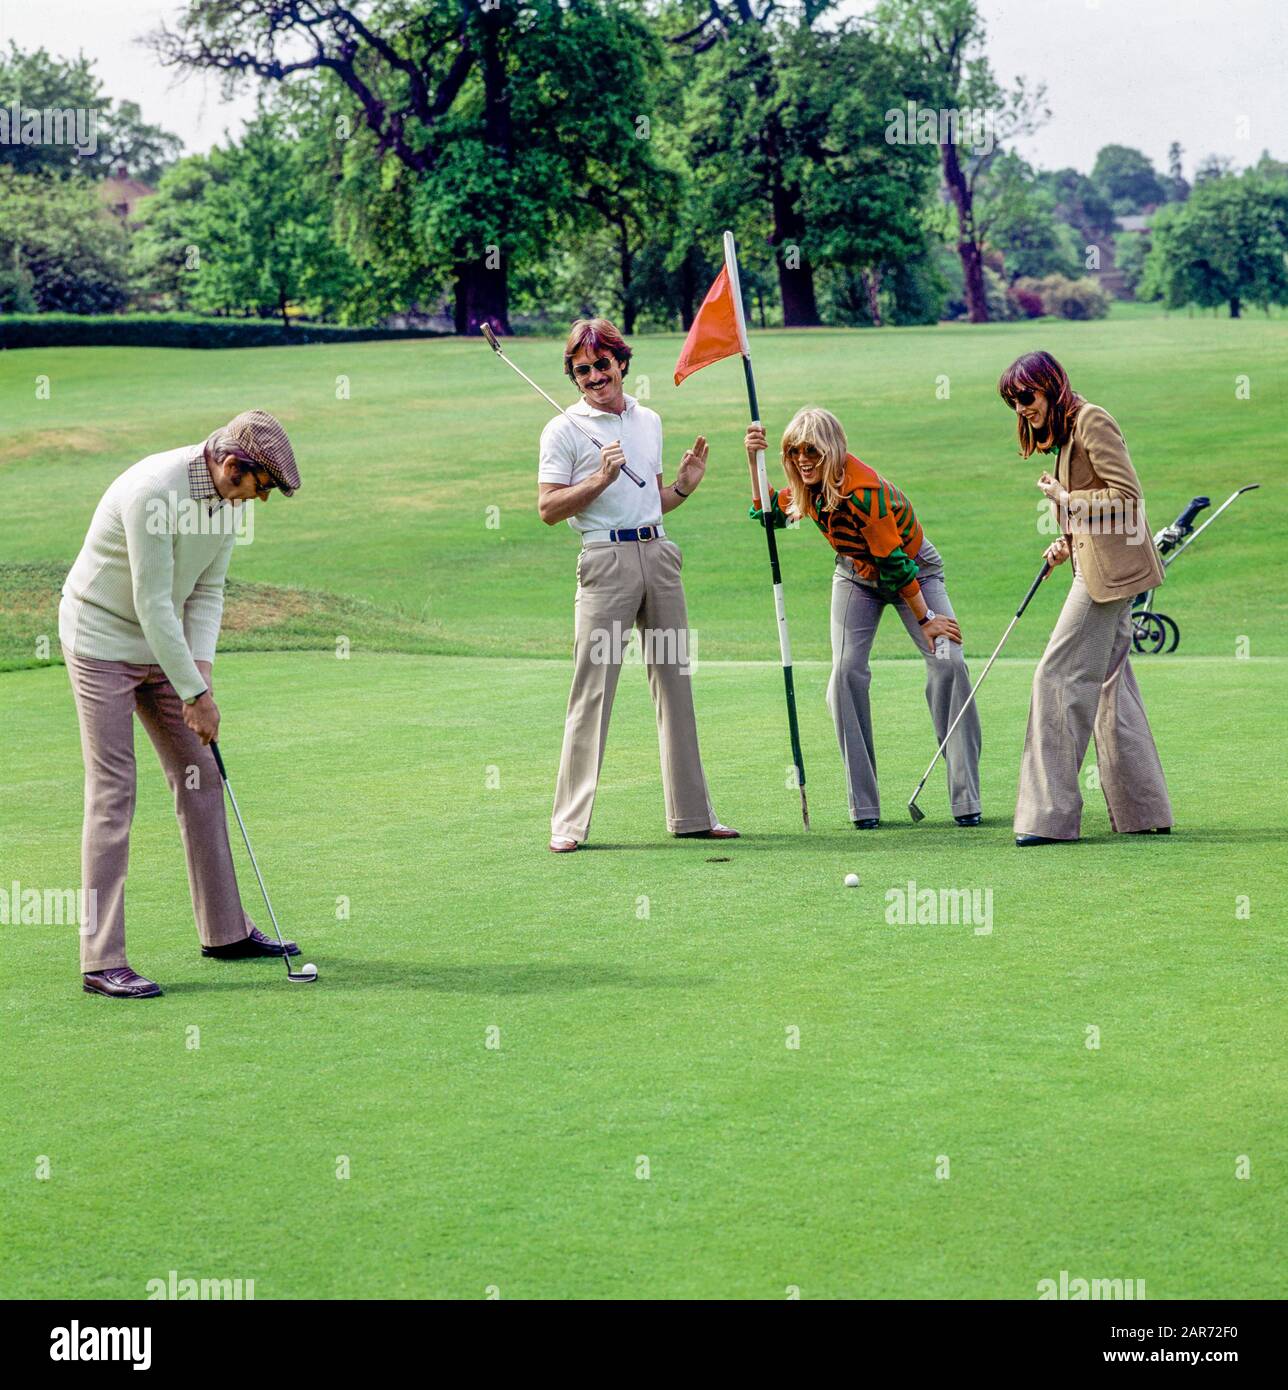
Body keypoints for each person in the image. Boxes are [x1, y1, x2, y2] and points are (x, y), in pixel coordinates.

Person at [60, 410, 302, 998]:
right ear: (230, 465)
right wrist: (192, 692)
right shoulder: (153, 491)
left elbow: (208, 592)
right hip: (102, 641)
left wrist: (203, 679)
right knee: (114, 792)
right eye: (259, 486)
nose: (259, 500)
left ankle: (224, 932)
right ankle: (101, 960)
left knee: (201, 779)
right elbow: (151, 602)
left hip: (164, 647)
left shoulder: (226, 503)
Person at [537, 318, 737, 852]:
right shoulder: (563, 429)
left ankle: (693, 815)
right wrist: (598, 479)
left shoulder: (648, 420)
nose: (595, 377)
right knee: (594, 688)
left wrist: (683, 489)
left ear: (622, 364)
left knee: (675, 682)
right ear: (574, 377)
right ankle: (569, 826)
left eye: (603, 365)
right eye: (583, 370)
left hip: (659, 555)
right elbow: (549, 509)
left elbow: (651, 501)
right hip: (606, 563)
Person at [744, 409, 981, 828]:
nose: (802, 459)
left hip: (915, 571)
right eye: (793, 451)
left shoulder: (864, 491)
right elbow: (771, 515)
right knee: (844, 675)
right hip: (853, 575)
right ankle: (864, 808)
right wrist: (754, 461)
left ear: (831, 450)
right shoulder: (808, 486)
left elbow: (894, 562)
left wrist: (927, 619)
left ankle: (966, 800)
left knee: (949, 662)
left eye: (812, 451)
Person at [998, 350, 1172, 845]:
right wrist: (1068, 541)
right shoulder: (1067, 429)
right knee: (1111, 687)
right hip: (1097, 568)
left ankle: (1048, 818)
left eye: (1026, 397)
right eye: (1013, 402)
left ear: (1051, 386)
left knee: (1054, 676)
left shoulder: (1091, 420)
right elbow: (1100, 511)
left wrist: (1065, 501)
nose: (1022, 410)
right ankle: (1144, 810)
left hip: (1108, 579)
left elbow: (1128, 499)